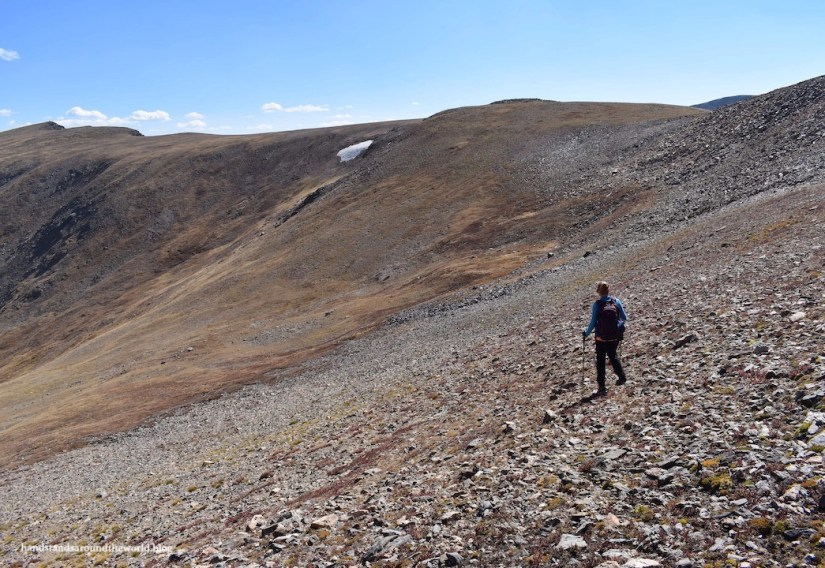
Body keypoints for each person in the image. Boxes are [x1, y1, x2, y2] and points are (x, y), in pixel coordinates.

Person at [582, 281, 627, 397]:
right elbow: (624, 317)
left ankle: (602, 386)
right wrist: (618, 326)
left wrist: (586, 333)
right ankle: (621, 377)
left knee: (600, 360)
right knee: (613, 355)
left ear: (598, 292)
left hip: (601, 337)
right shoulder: (616, 301)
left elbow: (593, 322)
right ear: (608, 290)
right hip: (614, 336)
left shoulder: (597, 304)